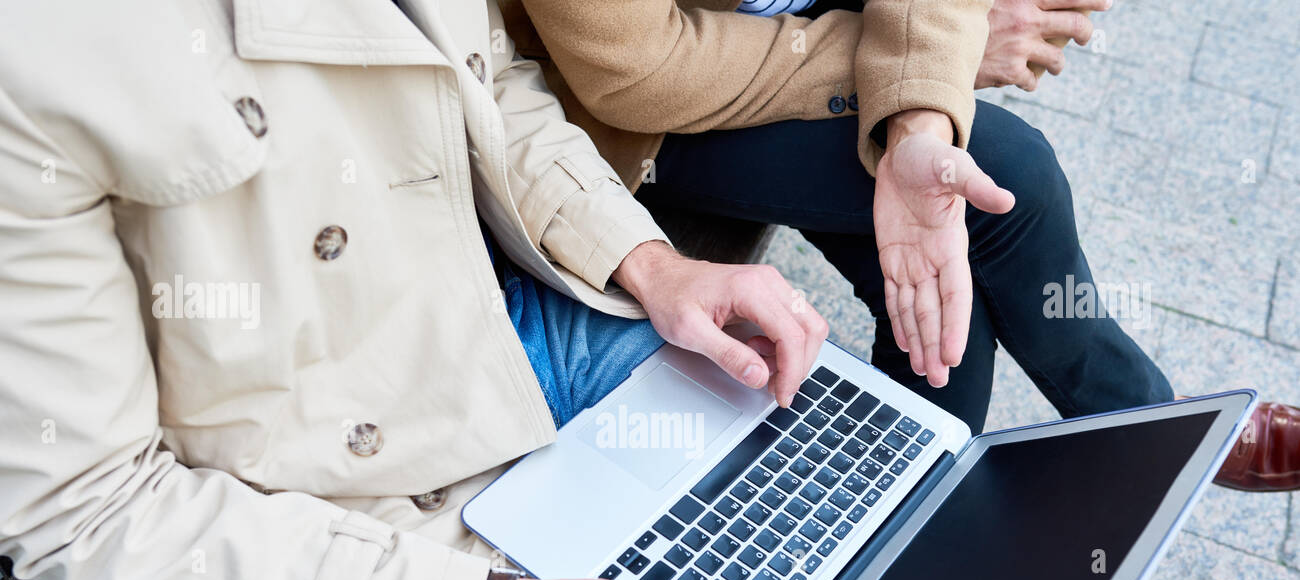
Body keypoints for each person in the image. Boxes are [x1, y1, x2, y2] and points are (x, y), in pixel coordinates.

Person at [0, 0, 994, 580]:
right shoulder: (34, 60)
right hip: (354, 516)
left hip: (505, 315)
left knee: (893, 511)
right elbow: (81, 506)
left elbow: (496, 85)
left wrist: (651, 263)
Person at [504, 0, 1300, 488]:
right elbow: (636, 68)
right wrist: (921, 57)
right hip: (658, 101)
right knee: (1006, 183)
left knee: (940, 250)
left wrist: (919, 108)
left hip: (806, 21)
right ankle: (1146, 430)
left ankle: (896, 551)